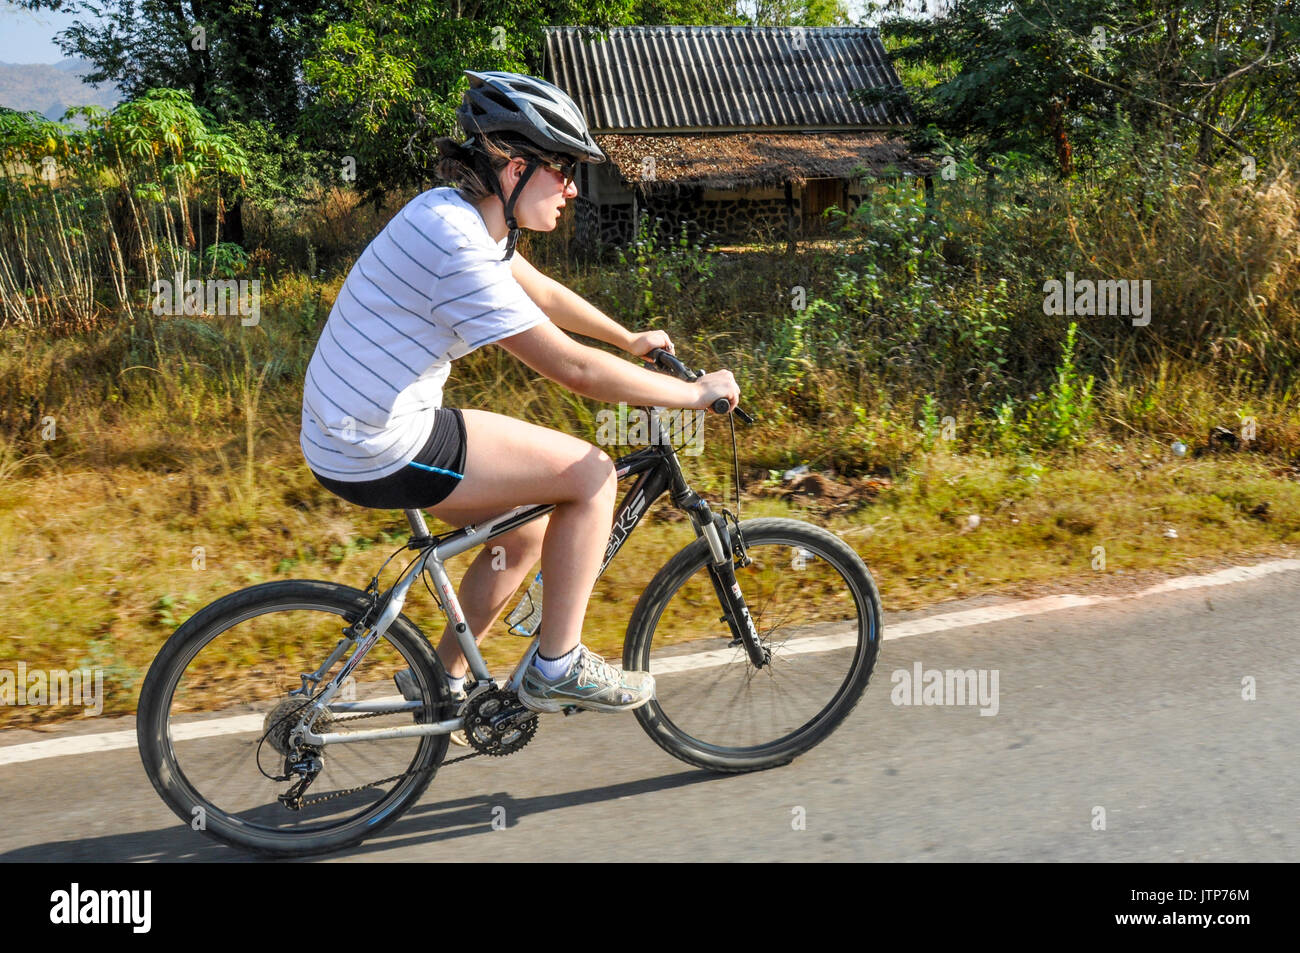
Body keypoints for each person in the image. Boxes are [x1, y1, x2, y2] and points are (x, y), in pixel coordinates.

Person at [299, 70, 739, 726]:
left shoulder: (451, 215)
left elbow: (541, 290)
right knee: (591, 474)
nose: (571, 188)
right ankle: (557, 665)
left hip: (356, 427)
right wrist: (693, 393)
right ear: (511, 166)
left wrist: (629, 337)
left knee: (527, 525)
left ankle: (441, 679)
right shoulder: (457, 249)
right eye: (561, 169)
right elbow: (573, 370)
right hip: (376, 440)